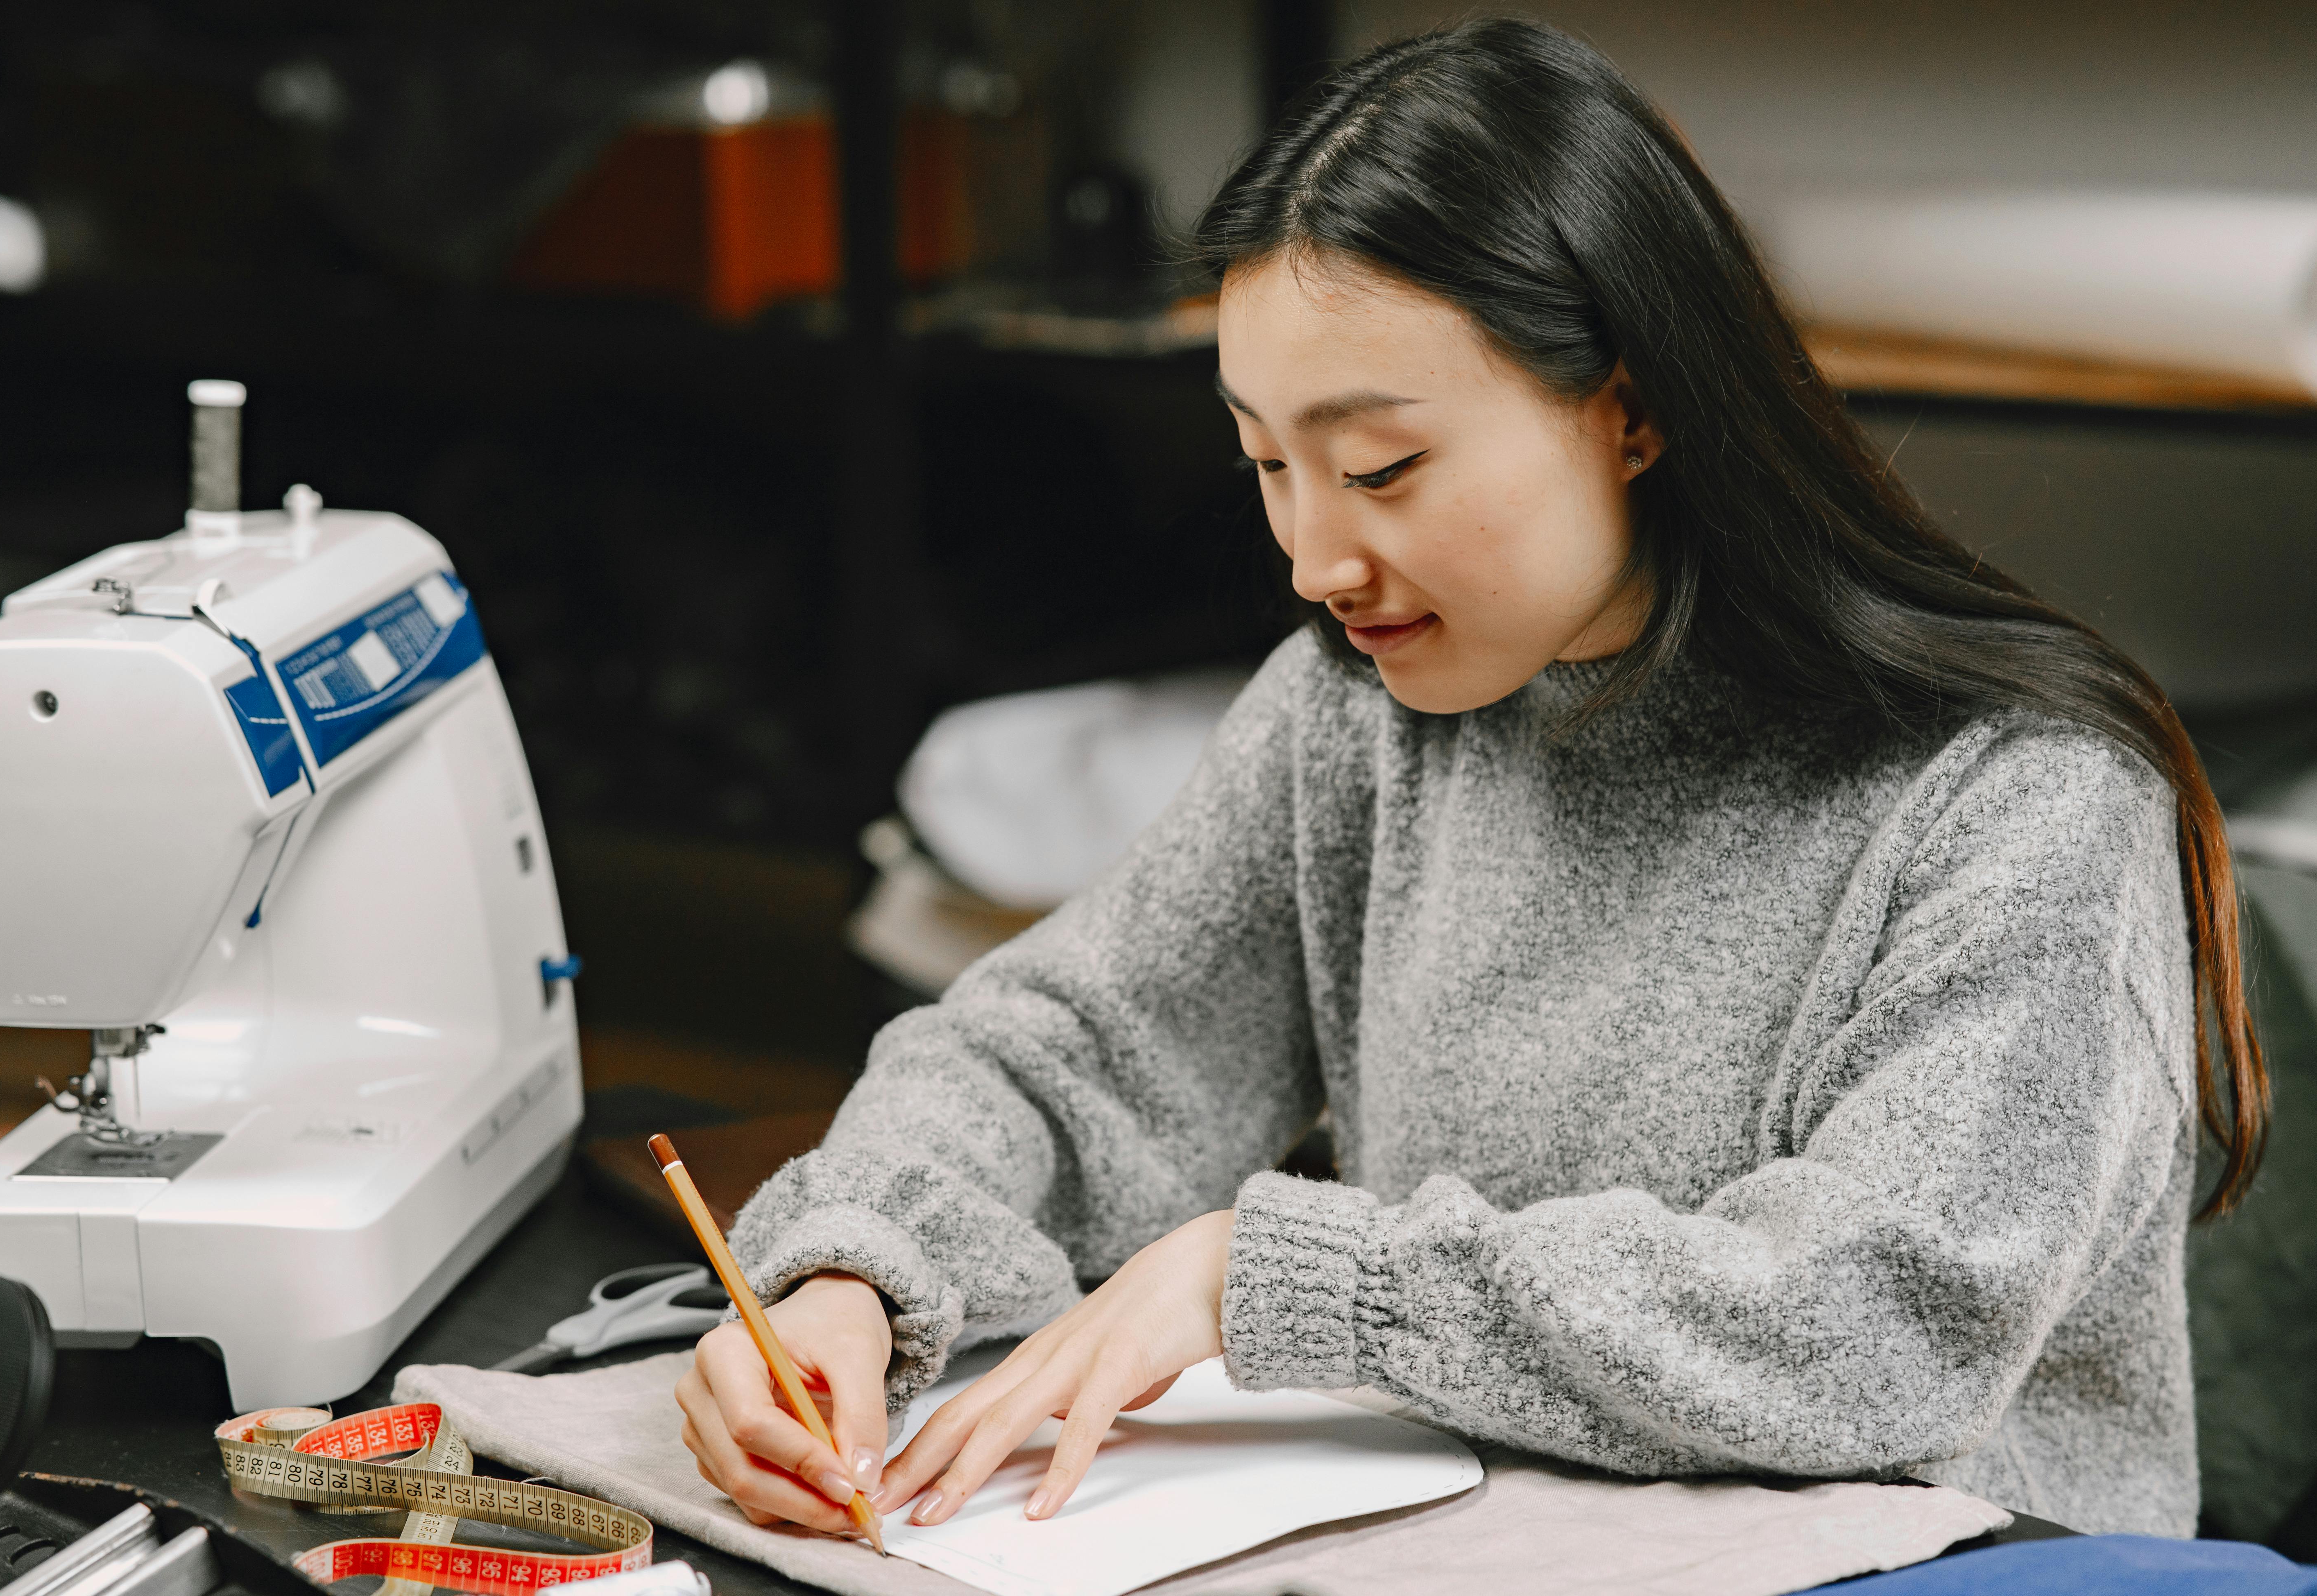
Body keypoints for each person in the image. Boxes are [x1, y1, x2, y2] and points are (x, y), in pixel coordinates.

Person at [673, 17, 2266, 1541]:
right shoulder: (1361, 718)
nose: (1312, 558)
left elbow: (1877, 1322)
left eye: (1380, 470)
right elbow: (1074, 1052)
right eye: (1266, 466)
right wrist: (848, 1276)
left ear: (1630, 410)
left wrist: (1272, 1278)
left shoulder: (2026, 800)